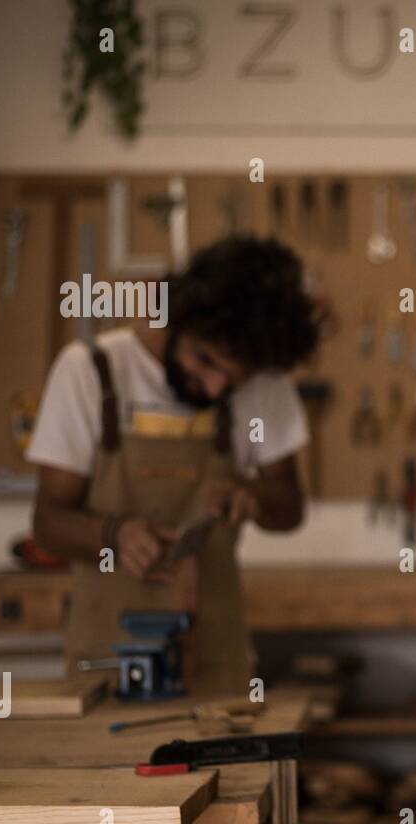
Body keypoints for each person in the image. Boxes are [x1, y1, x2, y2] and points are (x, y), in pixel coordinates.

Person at [28, 236, 322, 690]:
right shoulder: (90, 370)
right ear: (175, 316)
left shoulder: (265, 384)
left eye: (232, 377)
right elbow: (48, 522)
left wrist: (255, 495)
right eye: (204, 360)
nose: (212, 388)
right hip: (106, 670)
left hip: (218, 668)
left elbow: (290, 507)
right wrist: (113, 534)